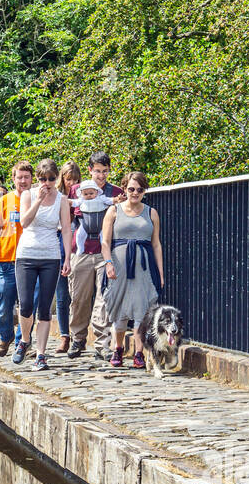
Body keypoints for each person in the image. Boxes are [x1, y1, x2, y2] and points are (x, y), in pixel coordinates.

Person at [12, 159, 72, 371]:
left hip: (51, 256)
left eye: (51, 179)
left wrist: (67, 258)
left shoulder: (62, 200)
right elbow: (24, 222)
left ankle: (41, 355)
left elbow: (66, 229)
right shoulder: (28, 194)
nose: (47, 183)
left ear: (57, 179)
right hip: (27, 254)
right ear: (37, 179)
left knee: (45, 308)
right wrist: (38, 199)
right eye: (43, 179)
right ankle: (25, 340)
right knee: (26, 304)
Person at [101, 171, 165, 368]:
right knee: (118, 307)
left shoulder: (151, 213)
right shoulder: (113, 211)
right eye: (131, 189)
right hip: (119, 265)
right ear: (124, 189)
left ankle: (139, 353)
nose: (135, 193)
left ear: (144, 191)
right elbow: (105, 241)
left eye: (139, 189)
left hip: (143, 267)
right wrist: (108, 263)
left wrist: (160, 273)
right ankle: (118, 349)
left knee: (142, 308)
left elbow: (156, 244)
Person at [68, 152, 125, 359]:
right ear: (90, 170)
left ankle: (102, 344)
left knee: (104, 298)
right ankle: (78, 339)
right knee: (79, 298)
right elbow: (67, 222)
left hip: (105, 252)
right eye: (98, 171)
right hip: (81, 250)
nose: (101, 176)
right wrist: (66, 255)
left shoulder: (116, 192)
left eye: (105, 171)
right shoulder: (77, 190)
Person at [0, 163, 33, 356]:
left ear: (32, 179)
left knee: (28, 304)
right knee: (4, 302)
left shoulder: (36, 199)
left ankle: (23, 341)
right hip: (7, 260)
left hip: (30, 260)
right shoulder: (5, 201)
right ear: (13, 179)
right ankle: (5, 337)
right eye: (19, 177)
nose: (23, 181)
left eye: (26, 177)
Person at [52, 162, 80, 353]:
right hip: (59, 244)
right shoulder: (55, 196)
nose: (71, 183)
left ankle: (79, 335)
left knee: (78, 295)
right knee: (62, 294)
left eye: (75, 179)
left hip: (78, 245)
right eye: (68, 179)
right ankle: (64, 335)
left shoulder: (84, 193)